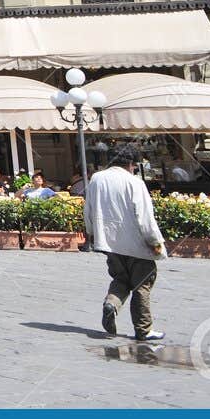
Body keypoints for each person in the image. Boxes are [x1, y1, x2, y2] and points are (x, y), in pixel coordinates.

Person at [82, 144, 165, 342]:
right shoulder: (134, 182)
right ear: (131, 163)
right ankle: (143, 329)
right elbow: (145, 217)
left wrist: (92, 234)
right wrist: (155, 242)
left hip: (109, 242)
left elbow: (88, 210)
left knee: (121, 279)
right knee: (142, 284)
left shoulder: (97, 179)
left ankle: (112, 303)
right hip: (136, 243)